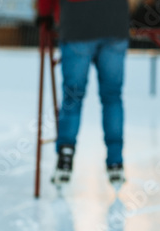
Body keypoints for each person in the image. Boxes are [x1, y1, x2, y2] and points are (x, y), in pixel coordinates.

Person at [38, 0, 130, 189]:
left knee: (72, 97)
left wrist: (44, 12)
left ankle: (65, 156)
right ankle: (115, 162)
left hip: (76, 23)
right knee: (112, 97)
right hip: (114, 21)